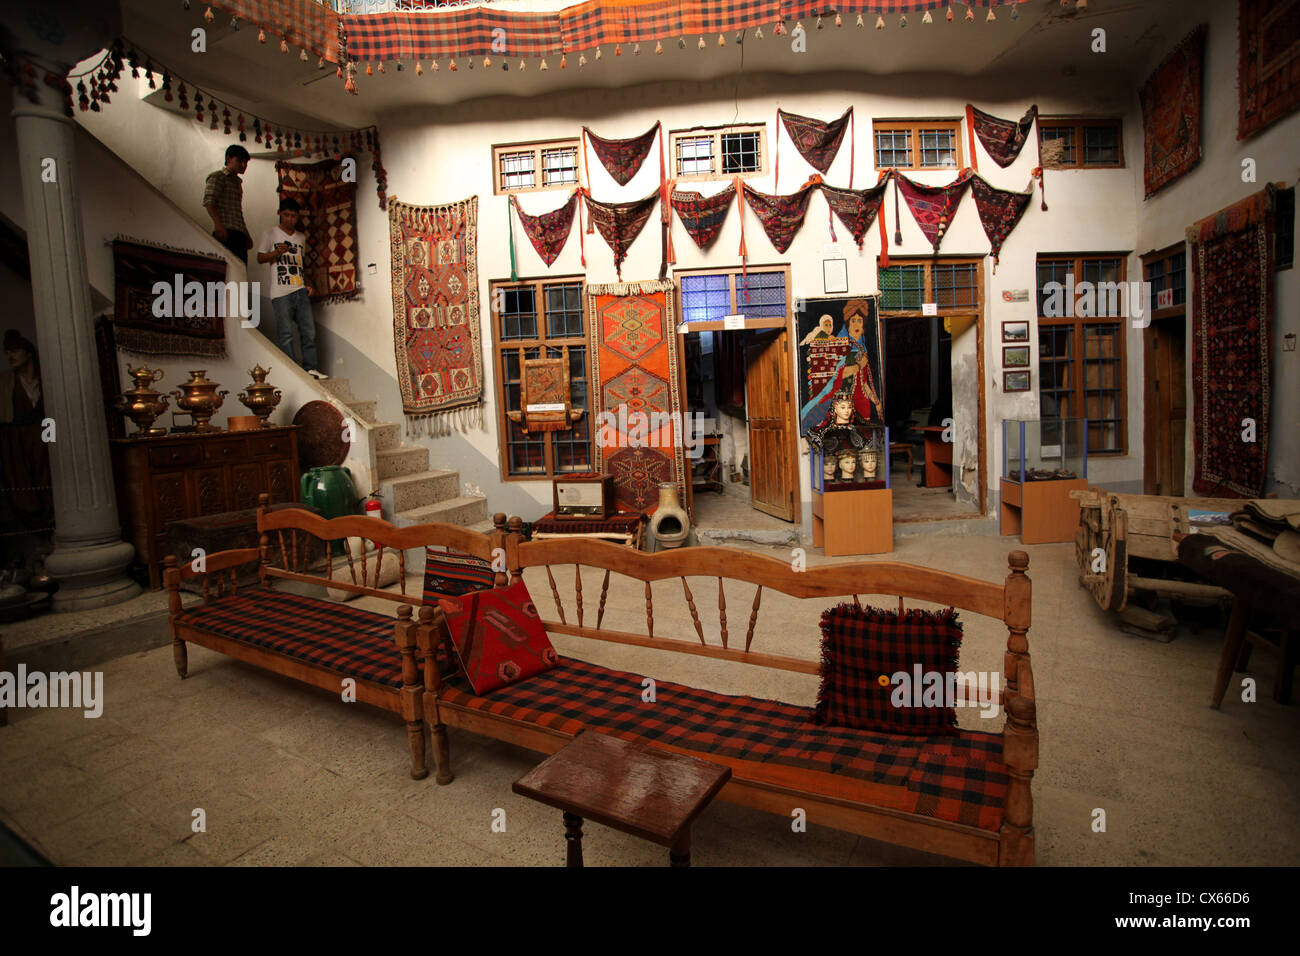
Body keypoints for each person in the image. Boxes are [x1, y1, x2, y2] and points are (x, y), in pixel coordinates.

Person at [257, 198, 326, 379]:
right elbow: (260, 258)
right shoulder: (270, 233)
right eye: (286, 215)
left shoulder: (301, 238)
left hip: (300, 288)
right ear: (280, 214)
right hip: (280, 292)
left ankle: (310, 368)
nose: (290, 219)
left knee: (308, 331)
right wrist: (276, 252)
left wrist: (308, 284)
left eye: (293, 216)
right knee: (285, 333)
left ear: (298, 217)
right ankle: (292, 372)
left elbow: (302, 264)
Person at [203, 144, 251, 263]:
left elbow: (237, 212)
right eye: (240, 161)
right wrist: (218, 225)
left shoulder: (237, 183)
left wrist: (246, 234)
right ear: (229, 159)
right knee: (224, 271)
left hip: (239, 234)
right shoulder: (218, 177)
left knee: (240, 272)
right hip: (225, 231)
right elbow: (209, 202)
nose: (243, 165)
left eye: (245, 162)